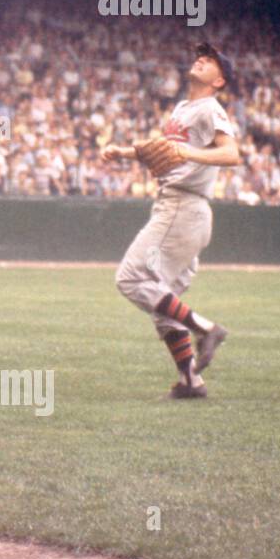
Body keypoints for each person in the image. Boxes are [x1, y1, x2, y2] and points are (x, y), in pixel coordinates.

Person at [105, 43, 240, 399]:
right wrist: (126, 151)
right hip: (182, 210)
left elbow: (231, 153)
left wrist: (189, 152)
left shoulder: (210, 108)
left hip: (183, 206)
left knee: (131, 278)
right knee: (164, 301)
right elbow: (163, 148)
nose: (201, 59)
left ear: (220, 80)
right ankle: (191, 383)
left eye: (210, 61)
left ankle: (206, 328)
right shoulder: (183, 107)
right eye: (201, 56)